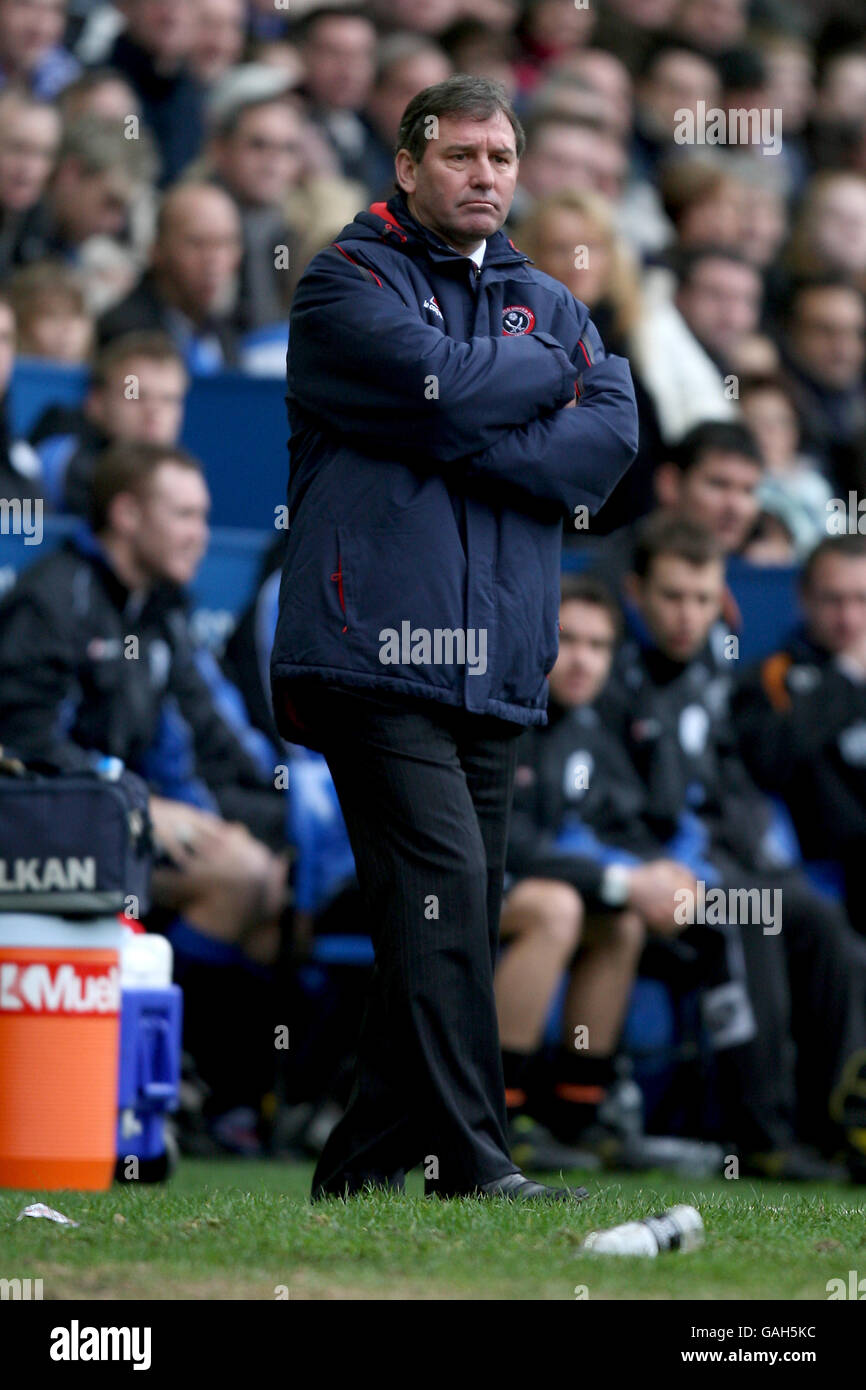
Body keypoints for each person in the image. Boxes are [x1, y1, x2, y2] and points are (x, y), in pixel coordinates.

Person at [270, 74, 638, 1203]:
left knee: (452, 916)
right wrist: (531, 389)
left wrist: (469, 423)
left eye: (501, 157)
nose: (485, 175)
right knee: (444, 889)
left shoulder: (548, 297)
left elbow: (610, 441)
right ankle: (471, 1162)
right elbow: (436, 395)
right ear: (408, 165)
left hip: (494, 665)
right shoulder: (342, 282)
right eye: (461, 156)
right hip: (369, 653)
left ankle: (367, 1156)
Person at [0, 439, 290, 1148]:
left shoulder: (159, 610)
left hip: (116, 823)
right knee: (241, 877)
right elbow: (25, 746)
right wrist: (137, 802)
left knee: (278, 875)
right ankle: (135, 1064)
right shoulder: (55, 596)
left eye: (204, 515)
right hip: (41, 834)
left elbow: (196, 742)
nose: (200, 532)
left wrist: (238, 814)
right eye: (184, 514)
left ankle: (202, 1093)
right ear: (126, 514)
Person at [605, 512, 866, 1179]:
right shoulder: (608, 678)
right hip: (644, 877)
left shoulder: (707, 683)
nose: (687, 616)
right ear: (636, 593)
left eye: (701, 599)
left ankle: (836, 1120)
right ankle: (764, 1136)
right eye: (671, 597)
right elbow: (608, 806)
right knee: (753, 914)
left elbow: (733, 793)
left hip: (719, 872)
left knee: (816, 917)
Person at [733, 534, 866, 925]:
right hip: (830, 865)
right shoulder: (772, 676)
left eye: (862, 599)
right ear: (804, 598)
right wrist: (846, 677)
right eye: (833, 600)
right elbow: (769, 763)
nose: (849, 618)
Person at [28, 329, 188, 514]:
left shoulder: (180, 477)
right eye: (136, 396)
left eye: (168, 399)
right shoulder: (65, 459)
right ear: (96, 402)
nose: (154, 410)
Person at [96, 181, 243, 372]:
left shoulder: (225, 335)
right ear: (156, 249)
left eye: (225, 243)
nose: (214, 260)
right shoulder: (124, 332)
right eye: (197, 243)